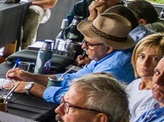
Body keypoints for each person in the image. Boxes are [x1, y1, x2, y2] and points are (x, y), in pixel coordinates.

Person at [7, 11, 135, 102]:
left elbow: (76, 98)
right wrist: (31, 77)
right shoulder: (105, 57)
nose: (83, 47)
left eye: (89, 44)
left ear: (108, 48)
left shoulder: (114, 68)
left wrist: (32, 87)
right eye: (84, 42)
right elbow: (72, 79)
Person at [62, 0, 126, 42]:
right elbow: (66, 36)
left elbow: (112, 43)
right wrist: (90, 18)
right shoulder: (81, 7)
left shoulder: (124, 15)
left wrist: (101, 19)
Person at [126, 34, 164, 122]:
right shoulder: (134, 84)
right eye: (142, 56)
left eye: (154, 58)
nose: (145, 63)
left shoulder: (157, 95)